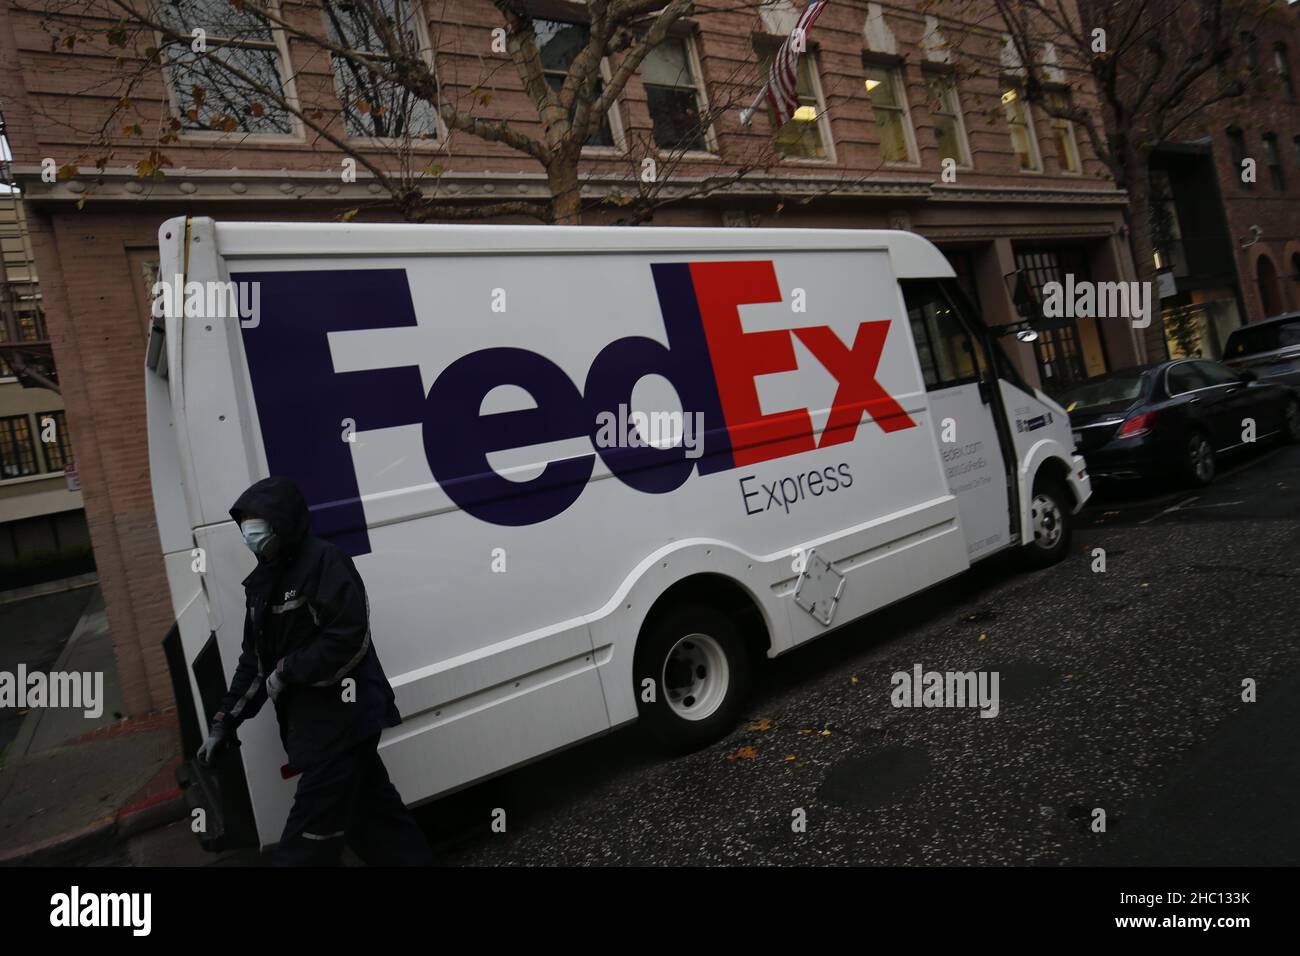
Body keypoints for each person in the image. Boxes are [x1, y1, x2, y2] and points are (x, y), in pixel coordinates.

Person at [196, 475, 433, 866]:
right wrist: (224, 721)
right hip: (311, 724)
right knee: (376, 821)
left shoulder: (324, 562)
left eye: (259, 519)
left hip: (343, 720)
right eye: (246, 521)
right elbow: (254, 663)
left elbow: (348, 636)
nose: (250, 530)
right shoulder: (262, 583)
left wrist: (287, 670)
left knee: (306, 842)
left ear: (283, 520)